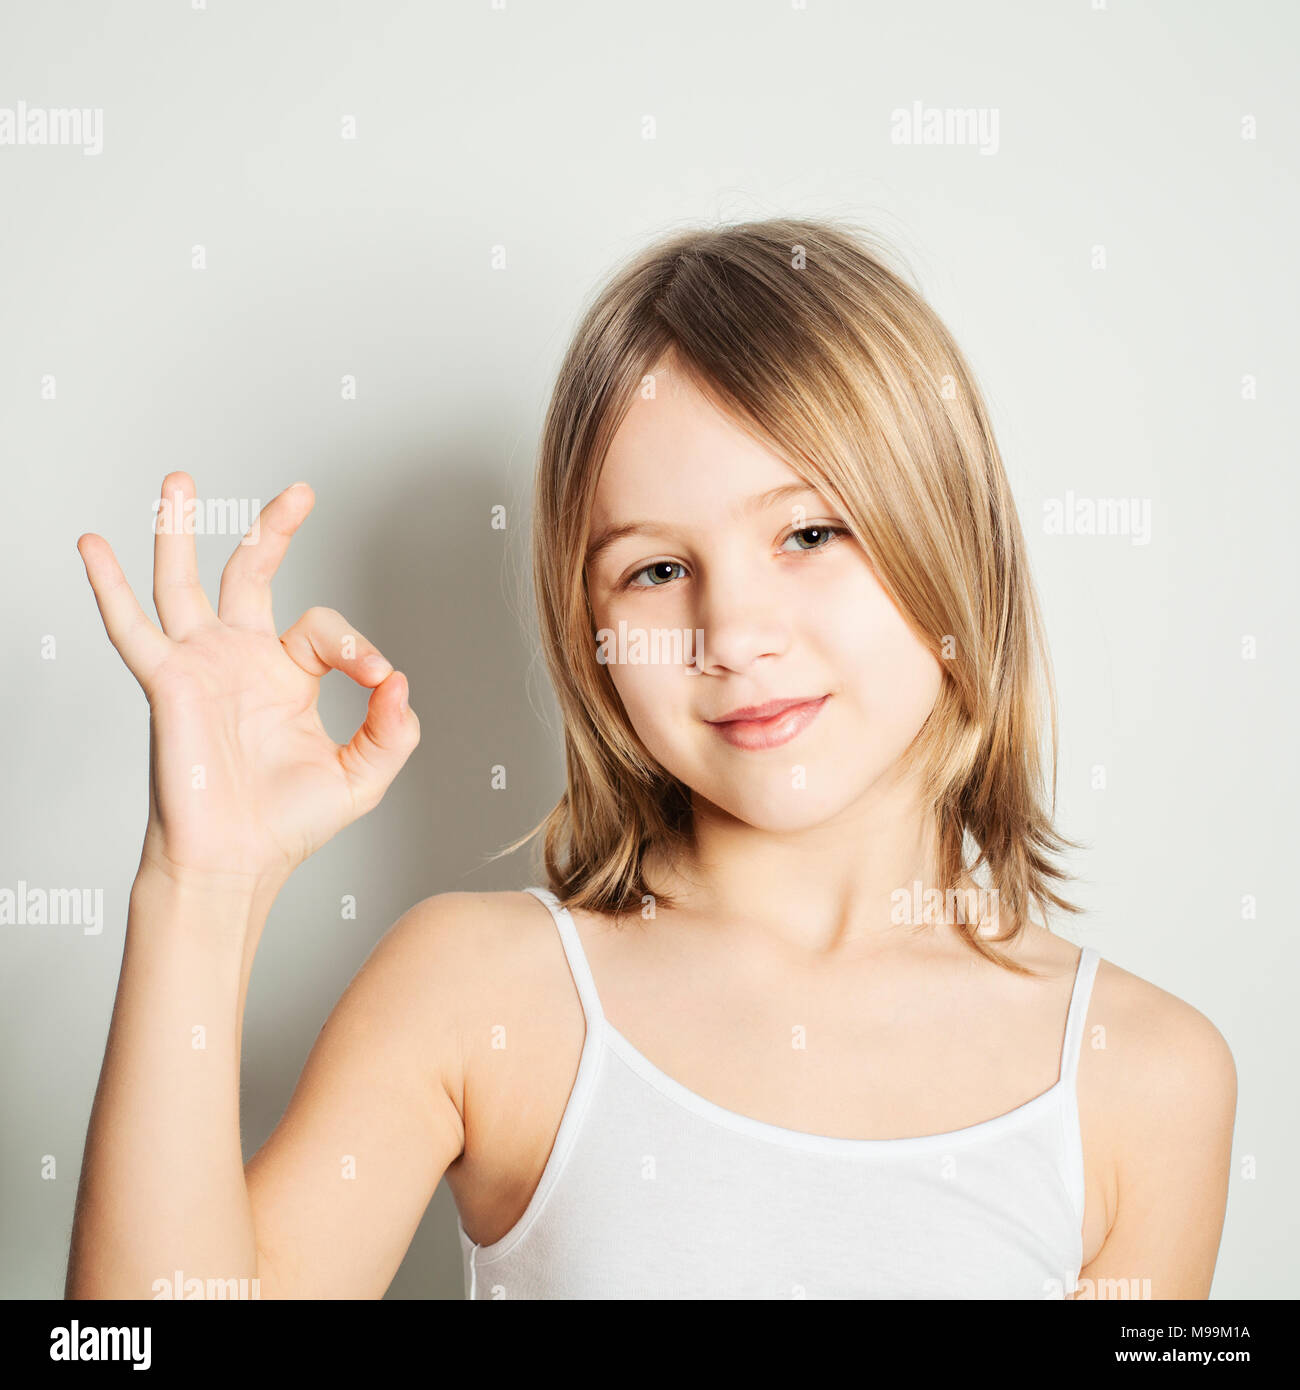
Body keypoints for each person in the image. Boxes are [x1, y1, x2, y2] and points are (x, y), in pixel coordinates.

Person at [67, 218, 1235, 1300]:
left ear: (954, 540)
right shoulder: (476, 991)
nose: (733, 634)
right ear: (593, 637)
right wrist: (202, 885)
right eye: (656, 571)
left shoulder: (1146, 1080)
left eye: (811, 532)